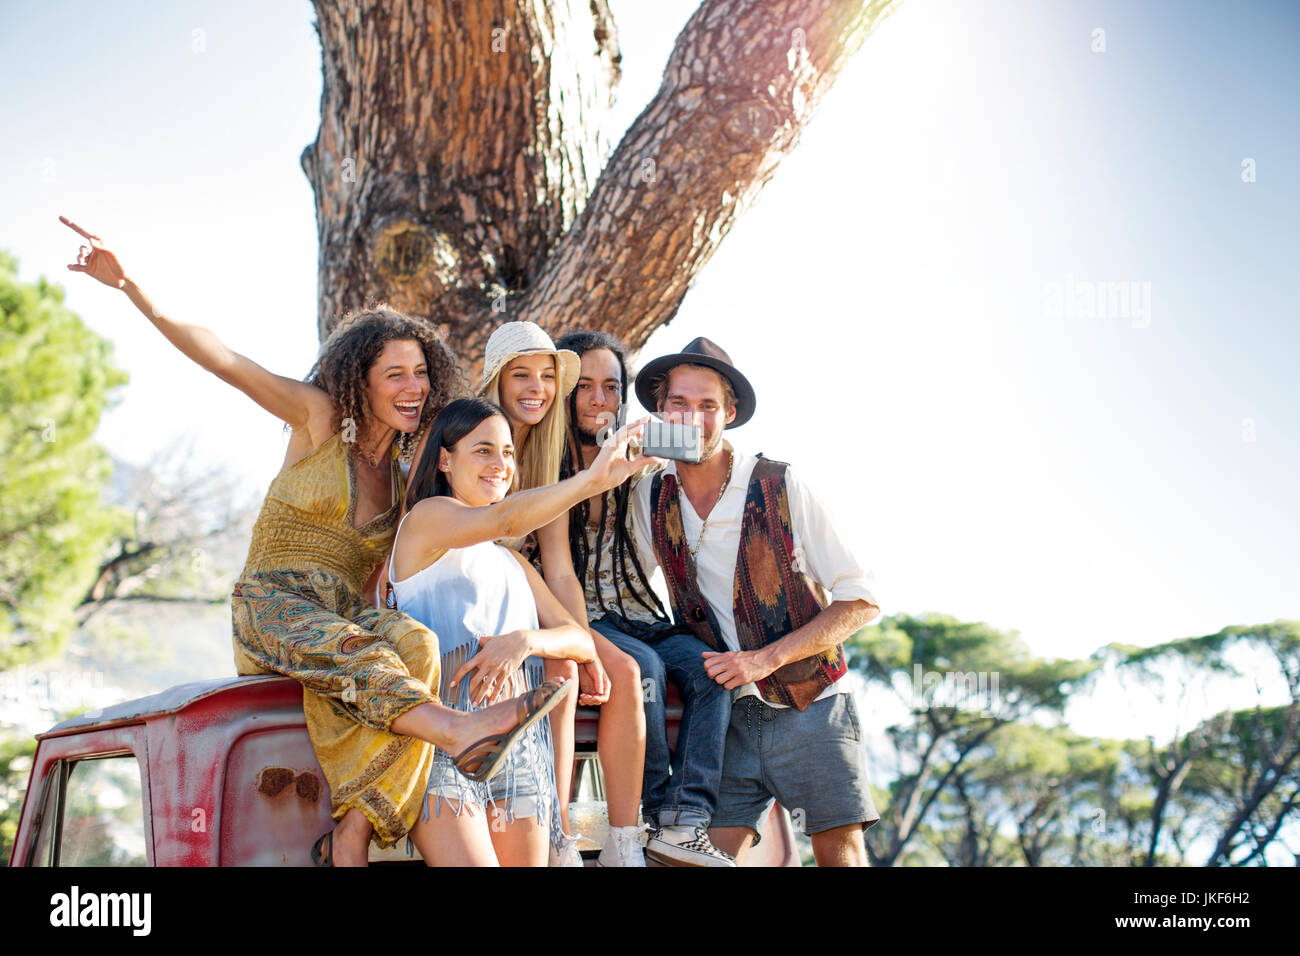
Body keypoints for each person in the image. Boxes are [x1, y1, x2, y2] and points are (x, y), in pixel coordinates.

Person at [60, 216, 572, 868]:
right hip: (274, 606)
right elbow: (224, 359)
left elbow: (487, 481)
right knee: (365, 651)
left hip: (341, 624)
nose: (413, 388)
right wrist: (134, 287)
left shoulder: (401, 483)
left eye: (420, 374)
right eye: (395, 375)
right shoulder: (318, 420)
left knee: (414, 643)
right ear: (360, 379)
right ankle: (456, 731)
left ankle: (351, 836)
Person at [630, 336, 883, 867]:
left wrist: (765, 659)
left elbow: (861, 600)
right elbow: (621, 584)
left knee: (841, 855)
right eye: (679, 403)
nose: (692, 418)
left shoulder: (778, 483)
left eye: (707, 406)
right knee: (695, 860)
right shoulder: (648, 493)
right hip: (723, 718)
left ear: (730, 413)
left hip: (811, 700)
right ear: (659, 409)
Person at [389, 397, 651, 865]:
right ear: (445, 459)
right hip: (441, 742)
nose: (501, 464)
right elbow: (507, 518)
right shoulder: (425, 520)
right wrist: (590, 481)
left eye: (508, 453)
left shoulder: (509, 561)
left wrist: (525, 641)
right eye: (484, 450)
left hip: (524, 748)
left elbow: (580, 640)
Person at [553, 330, 736, 867]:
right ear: (564, 393)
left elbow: (702, 450)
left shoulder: (644, 458)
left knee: (711, 669)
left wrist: (661, 439)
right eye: (583, 386)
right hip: (586, 617)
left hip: (643, 614)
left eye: (611, 387)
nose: (598, 399)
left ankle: (687, 822)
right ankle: (654, 816)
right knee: (647, 669)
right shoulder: (543, 465)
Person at [479, 321, 649, 866]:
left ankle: (602, 839)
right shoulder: (476, 435)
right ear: (497, 381)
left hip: (527, 591)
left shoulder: (544, 455)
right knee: (570, 665)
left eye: (547, 377)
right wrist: (579, 642)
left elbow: (557, 567)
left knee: (593, 669)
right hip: (471, 588)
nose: (537, 388)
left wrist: (584, 643)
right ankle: (553, 832)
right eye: (521, 375)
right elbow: (493, 546)